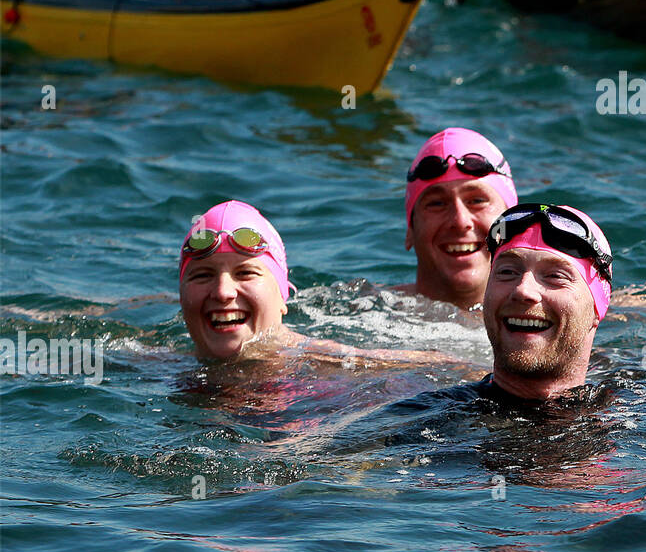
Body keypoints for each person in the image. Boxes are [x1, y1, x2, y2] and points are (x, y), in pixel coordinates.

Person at [180, 200, 452, 366]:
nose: (223, 292)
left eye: (245, 273)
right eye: (203, 275)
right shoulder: (159, 366)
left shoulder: (333, 364)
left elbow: (449, 369)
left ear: (283, 296)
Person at [475, 203, 614, 401]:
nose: (523, 290)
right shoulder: (431, 419)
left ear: (597, 308)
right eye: (507, 272)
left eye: (555, 276)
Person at [395, 127, 517, 311]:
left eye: (477, 201)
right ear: (410, 230)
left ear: (513, 224)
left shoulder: (551, 324)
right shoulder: (363, 312)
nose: (460, 222)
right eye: (437, 204)